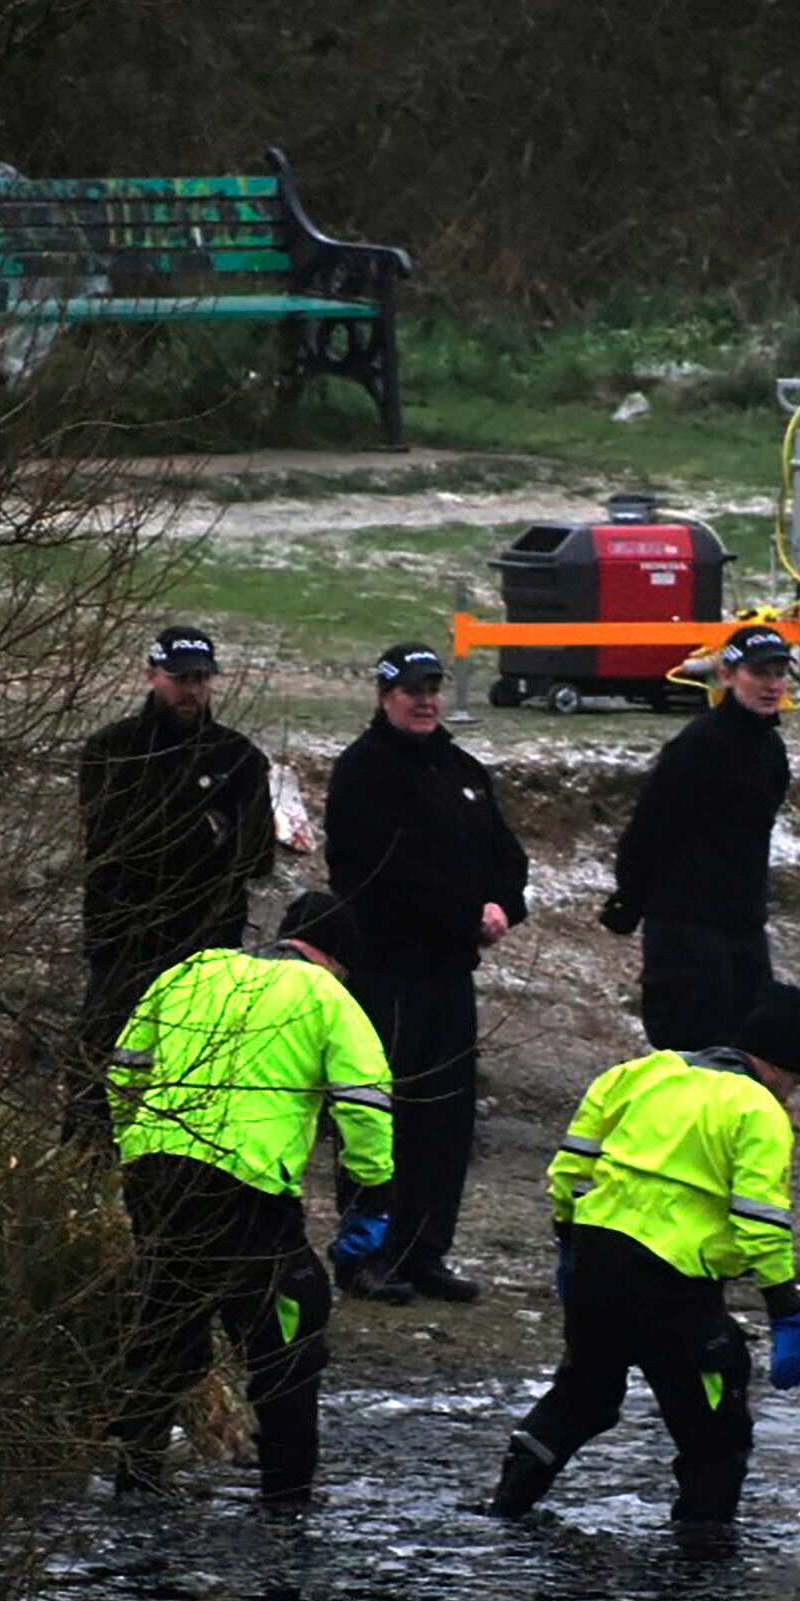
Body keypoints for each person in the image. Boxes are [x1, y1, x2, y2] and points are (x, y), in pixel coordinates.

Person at [482, 982, 800, 1536]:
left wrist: (568, 1241)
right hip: (673, 1284)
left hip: (595, 1257)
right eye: (796, 1087)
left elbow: (571, 1166)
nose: (792, 1099)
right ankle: (699, 1574)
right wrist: (783, 1308)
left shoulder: (641, 1073)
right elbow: (760, 1222)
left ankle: (503, 1511)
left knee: (584, 1396)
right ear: (781, 1070)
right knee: (715, 1429)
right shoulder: (758, 1109)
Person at [97, 890, 393, 1502]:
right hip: (245, 1182)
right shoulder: (326, 997)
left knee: (167, 1316)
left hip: (156, 1172)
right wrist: (369, 1188)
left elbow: (124, 1068)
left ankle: (136, 1476)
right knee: (287, 1321)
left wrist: (135, 1147)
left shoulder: (192, 972)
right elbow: (366, 1105)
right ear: (336, 958)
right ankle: (287, 1494)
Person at [319, 641, 531, 1306]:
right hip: (385, 972)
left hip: (448, 975)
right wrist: (463, 914)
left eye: (434, 688)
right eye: (413, 690)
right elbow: (373, 876)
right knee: (380, 1116)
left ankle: (425, 1250)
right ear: (385, 696)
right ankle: (364, 1255)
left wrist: (500, 905)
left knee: (446, 1121)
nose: (426, 700)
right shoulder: (363, 771)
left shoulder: (461, 769)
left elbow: (506, 856)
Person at [74, 623, 276, 1133]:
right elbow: (116, 845)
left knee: (197, 1083)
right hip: (124, 943)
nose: (193, 691)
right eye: (181, 678)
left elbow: (256, 856)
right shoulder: (112, 750)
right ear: (152, 675)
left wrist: (191, 835)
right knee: (102, 1074)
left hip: (207, 948)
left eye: (202, 679)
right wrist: (205, 828)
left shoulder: (240, 758)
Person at [598, 621, 794, 1052]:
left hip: (744, 926)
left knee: (746, 1049)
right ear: (727, 675)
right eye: (760, 674)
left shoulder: (771, 749)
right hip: (687, 927)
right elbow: (649, 828)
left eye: (779, 674)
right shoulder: (698, 746)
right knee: (691, 1048)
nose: (772, 685)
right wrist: (630, 899)